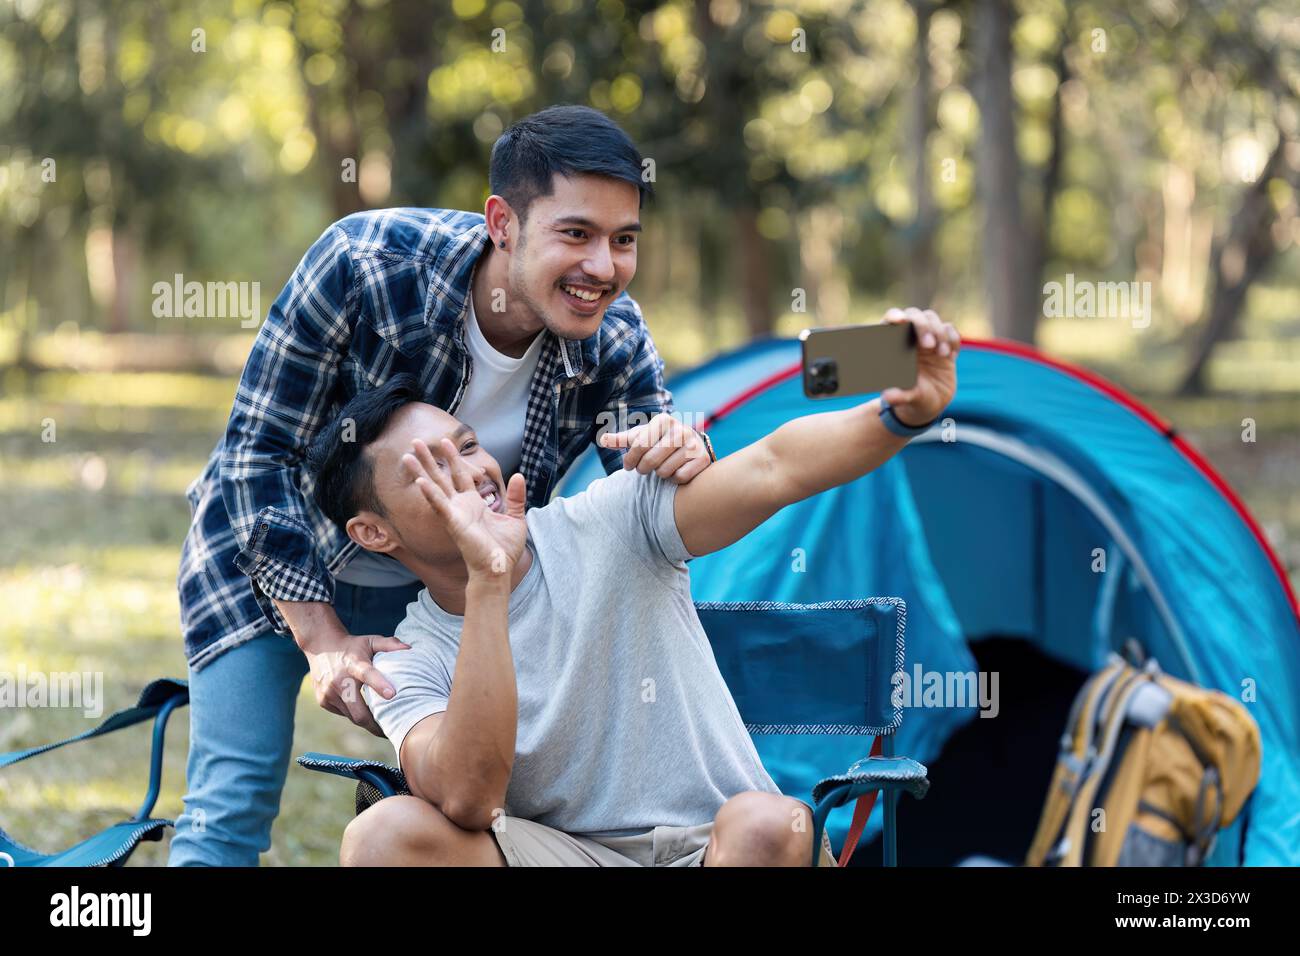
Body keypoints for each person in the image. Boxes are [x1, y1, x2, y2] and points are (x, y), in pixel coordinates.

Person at [169, 105, 716, 866]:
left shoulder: (614, 339)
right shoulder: (364, 264)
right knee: (233, 800)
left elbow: (658, 509)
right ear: (502, 222)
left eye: (624, 240)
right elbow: (257, 458)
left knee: (448, 810)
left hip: (438, 594)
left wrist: (678, 448)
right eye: (576, 234)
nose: (604, 267)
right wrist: (323, 639)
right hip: (272, 562)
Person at [307, 306, 959, 867]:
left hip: (713, 846)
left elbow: (772, 467)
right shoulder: (407, 660)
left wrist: (895, 418)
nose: (473, 473)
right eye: (433, 470)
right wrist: (489, 580)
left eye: (468, 445)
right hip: (563, 852)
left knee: (769, 824)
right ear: (374, 534)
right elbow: (469, 800)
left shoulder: (609, 521)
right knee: (382, 837)